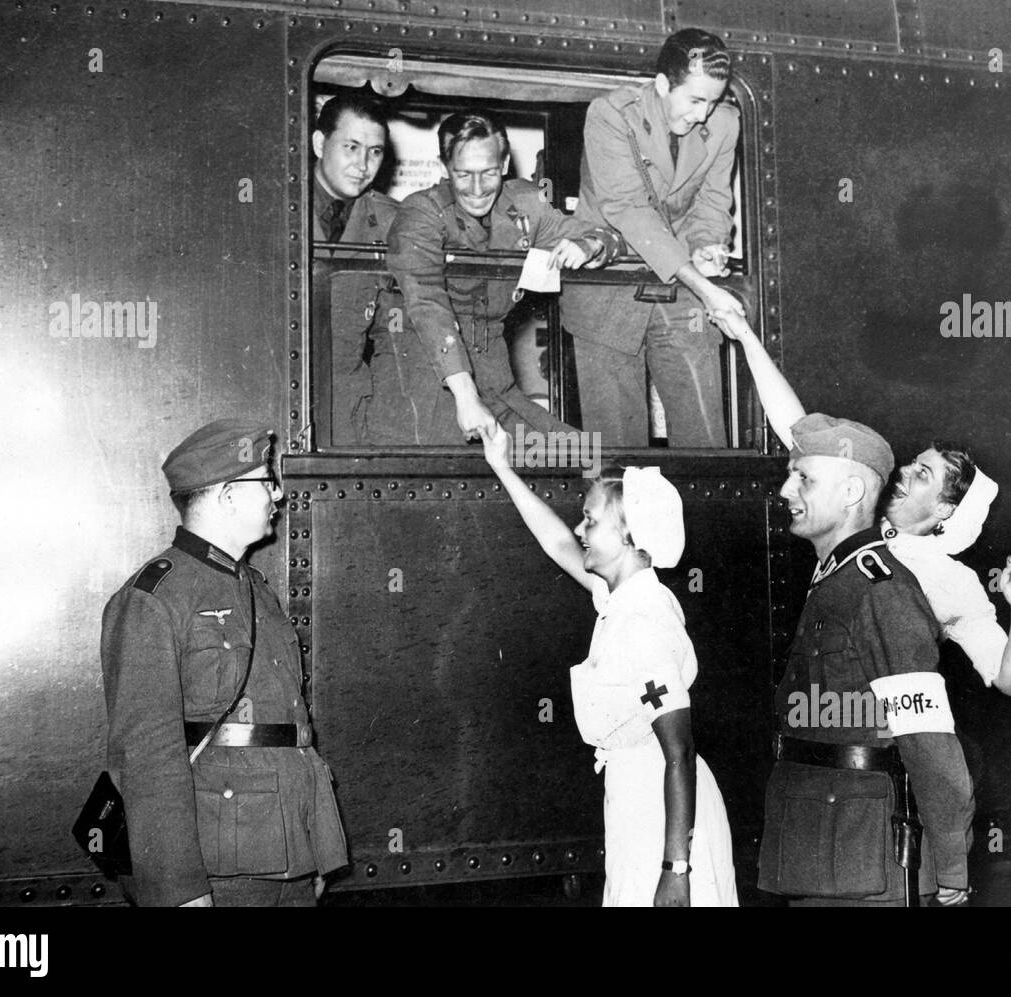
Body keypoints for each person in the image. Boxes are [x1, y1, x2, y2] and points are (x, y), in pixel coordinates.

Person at [718, 312, 1011, 697]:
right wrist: (745, 336)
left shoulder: (950, 581)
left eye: (922, 474)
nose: (904, 471)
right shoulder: (861, 509)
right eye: (912, 463)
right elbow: (797, 429)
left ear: (944, 510)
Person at [479, 423, 738, 906]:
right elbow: (557, 544)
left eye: (590, 521)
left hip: (666, 820)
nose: (580, 529)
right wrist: (501, 466)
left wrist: (676, 870)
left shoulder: (643, 619)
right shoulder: (620, 599)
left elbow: (678, 752)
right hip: (639, 807)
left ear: (628, 534)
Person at [101, 419, 348, 906]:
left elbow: (290, 731)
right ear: (229, 496)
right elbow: (148, 757)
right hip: (219, 866)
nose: (277, 496)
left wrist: (314, 843)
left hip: (285, 853)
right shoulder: (155, 597)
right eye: (266, 482)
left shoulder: (255, 588)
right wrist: (179, 891)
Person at [757, 413, 975, 906]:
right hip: (817, 849)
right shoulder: (834, 580)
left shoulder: (881, 591)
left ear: (853, 492)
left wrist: (951, 865)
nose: (787, 490)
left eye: (804, 478)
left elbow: (928, 740)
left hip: (865, 859)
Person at [388, 110, 622, 443]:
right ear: (443, 168)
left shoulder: (525, 205)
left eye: (489, 172)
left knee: (583, 455)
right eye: (463, 174)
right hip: (425, 372)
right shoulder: (420, 213)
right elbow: (426, 303)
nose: (478, 188)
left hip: (493, 375)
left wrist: (590, 243)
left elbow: (609, 236)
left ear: (506, 164)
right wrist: (466, 396)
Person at [560, 27, 746, 447]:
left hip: (678, 298)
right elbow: (629, 211)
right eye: (695, 100)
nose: (703, 114)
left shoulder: (725, 123)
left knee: (707, 444)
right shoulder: (610, 115)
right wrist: (703, 285)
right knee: (617, 453)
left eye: (713, 101)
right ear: (662, 85)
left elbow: (713, 203)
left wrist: (706, 244)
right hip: (607, 293)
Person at [311, 94, 425, 445]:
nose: (363, 165)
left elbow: (395, 334)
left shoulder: (390, 222)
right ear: (319, 143)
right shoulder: (272, 206)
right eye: (351, 147)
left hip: (347, 409)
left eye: (375, 152)